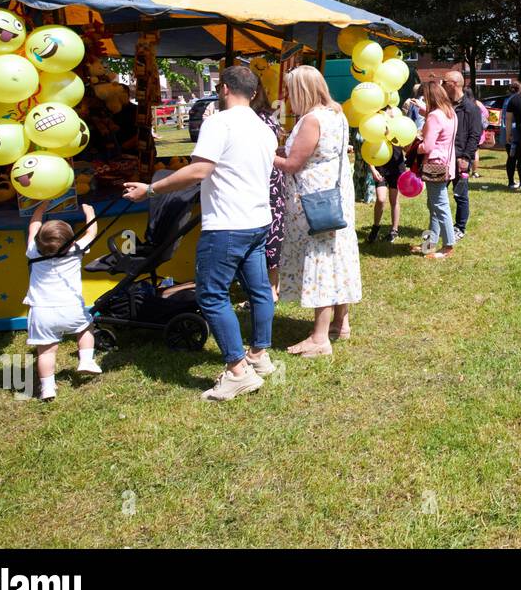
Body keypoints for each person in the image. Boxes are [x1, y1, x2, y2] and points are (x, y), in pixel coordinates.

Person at [125, 65, 276, 400]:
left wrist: (151, 190)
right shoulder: (264, 128)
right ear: (252, 92)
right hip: (256, 221)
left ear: (223, 88)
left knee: (211, 295)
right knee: (259, 291)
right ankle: (259, 355)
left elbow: (199, 170)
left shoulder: (218, 122)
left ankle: (238, 371)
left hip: (226, 224)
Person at [275, 65, 363, 354]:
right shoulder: (337, 114)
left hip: (312, 200)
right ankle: (341, 322)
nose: (287, 96)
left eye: (290, 90)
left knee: (320, 262)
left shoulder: (312, 120)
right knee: (335, 256)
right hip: (335, 196)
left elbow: (292, 164)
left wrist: (265, 152)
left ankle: (319, 338)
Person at [24, 199, 101, 401]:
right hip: (71, 308)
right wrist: (89, 212)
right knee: (85, 328)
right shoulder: (76, 252)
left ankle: (47, 388)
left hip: (42, 312)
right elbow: (91, 233)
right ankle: (86, 360)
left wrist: (40, 207)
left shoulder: (33, 251)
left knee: (46, 352)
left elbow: (33, 226)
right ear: (71, 242)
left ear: (39, 241)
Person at [414, 77, 459, 257]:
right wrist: (424, 111)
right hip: (447, 164)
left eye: (424, 97)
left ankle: (448, 246)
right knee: (434, 204)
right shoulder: (450, 112)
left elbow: (427, 146)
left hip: (435, 165)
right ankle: (429, 244)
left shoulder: (434, 116)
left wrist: (410, 147)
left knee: (439, 205)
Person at [250, 84, 286, 299]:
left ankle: (270, 289)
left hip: (265, 181)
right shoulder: (269, 117)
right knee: (274, 232)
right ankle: (273, 286)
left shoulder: (259, 119)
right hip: (272, 179)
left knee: (269, 233)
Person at [444, 70, 484, 241]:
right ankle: (439, 225)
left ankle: (460, 227)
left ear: (454, 83)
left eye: (444, 82)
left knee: (460, 194)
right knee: (438, 195)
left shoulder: (471, 108)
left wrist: (466, 158)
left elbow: (475, 135)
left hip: (460, 157)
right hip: (444, 157)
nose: (442, 85)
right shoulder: (446, 106)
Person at [365, 113, 405, 244]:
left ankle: (394, 230)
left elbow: (406, 145)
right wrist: (373, 169)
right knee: (381, 199)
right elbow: (368, 151)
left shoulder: (398, 131)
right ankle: (375, 228)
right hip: (380, 167)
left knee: (394, 200)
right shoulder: (375, 130)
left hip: (396, 167)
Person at [502, 80, 521, 189]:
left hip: (506, 130)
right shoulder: (518, 100)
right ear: (520, 89)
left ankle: (511, 182)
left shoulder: (506, 100)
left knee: (511, 158)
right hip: (516, 131)